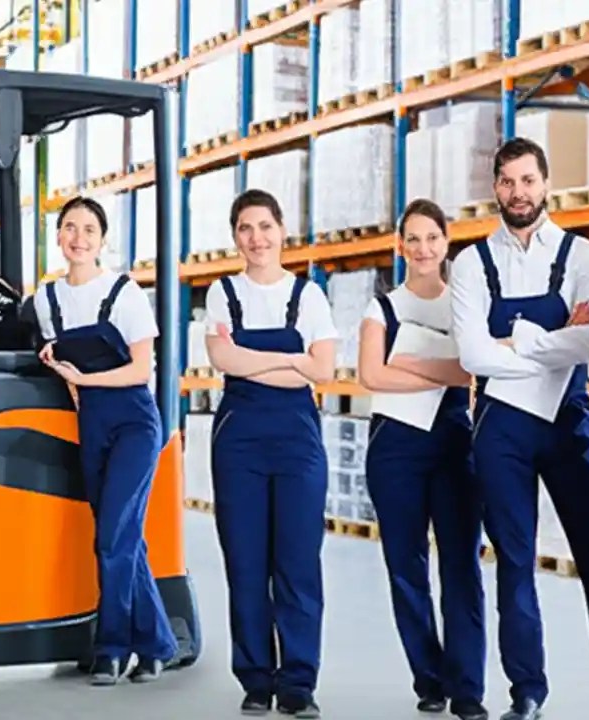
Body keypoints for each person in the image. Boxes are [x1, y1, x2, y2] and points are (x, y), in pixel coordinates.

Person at [448, 137, 589, 720]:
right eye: (508, 182)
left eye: (528, 180)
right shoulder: (470, 263)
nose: (519, 192)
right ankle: (528, 692)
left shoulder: (581, 255)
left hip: (566, 420)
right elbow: (471, 356)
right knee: (515, 561)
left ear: (546, 184)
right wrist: (553, 342)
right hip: (500, 429)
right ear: (495, 188)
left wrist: (515, 342)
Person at [32, 195, 179, 686]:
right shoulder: (45, 300)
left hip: (135, 421)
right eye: (69, 228)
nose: (78, 238)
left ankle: (111, 648)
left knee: (112, 536)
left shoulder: (125, 293)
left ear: (102, 239)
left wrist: (85, 380)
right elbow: (54, 363)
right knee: (123, 538)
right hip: (91, 423)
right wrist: (53, 361)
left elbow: (141, 369)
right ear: (58, 236)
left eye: (89, 230)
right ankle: (157, 644)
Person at [204, 188, 337, 718]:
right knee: (245, 560)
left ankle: (298, 681)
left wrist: (250, 357)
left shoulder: (308, 295)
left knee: (298, 561)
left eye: (264, 226)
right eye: (245, 228)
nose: (256, 238)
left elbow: (323, 369)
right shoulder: (222, 292)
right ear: (235, 236)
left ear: (282, 230)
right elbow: (221, 359)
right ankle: (256, 678)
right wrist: (291, 361)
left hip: (297, 439)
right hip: (239, 438)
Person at [356, 198, 487, 720]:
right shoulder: (381, 307)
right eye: (413, 239)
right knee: (406, 567)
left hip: (455, 444)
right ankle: (429, 679)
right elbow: (372, 375)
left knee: (462, 566)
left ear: (445, 242)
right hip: (395, 448)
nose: (423, 248)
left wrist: (410, 361)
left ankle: (468, 688)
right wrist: (443, 368)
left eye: (432, 238)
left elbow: (473, 372)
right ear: (400, 245)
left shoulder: (464, 305)